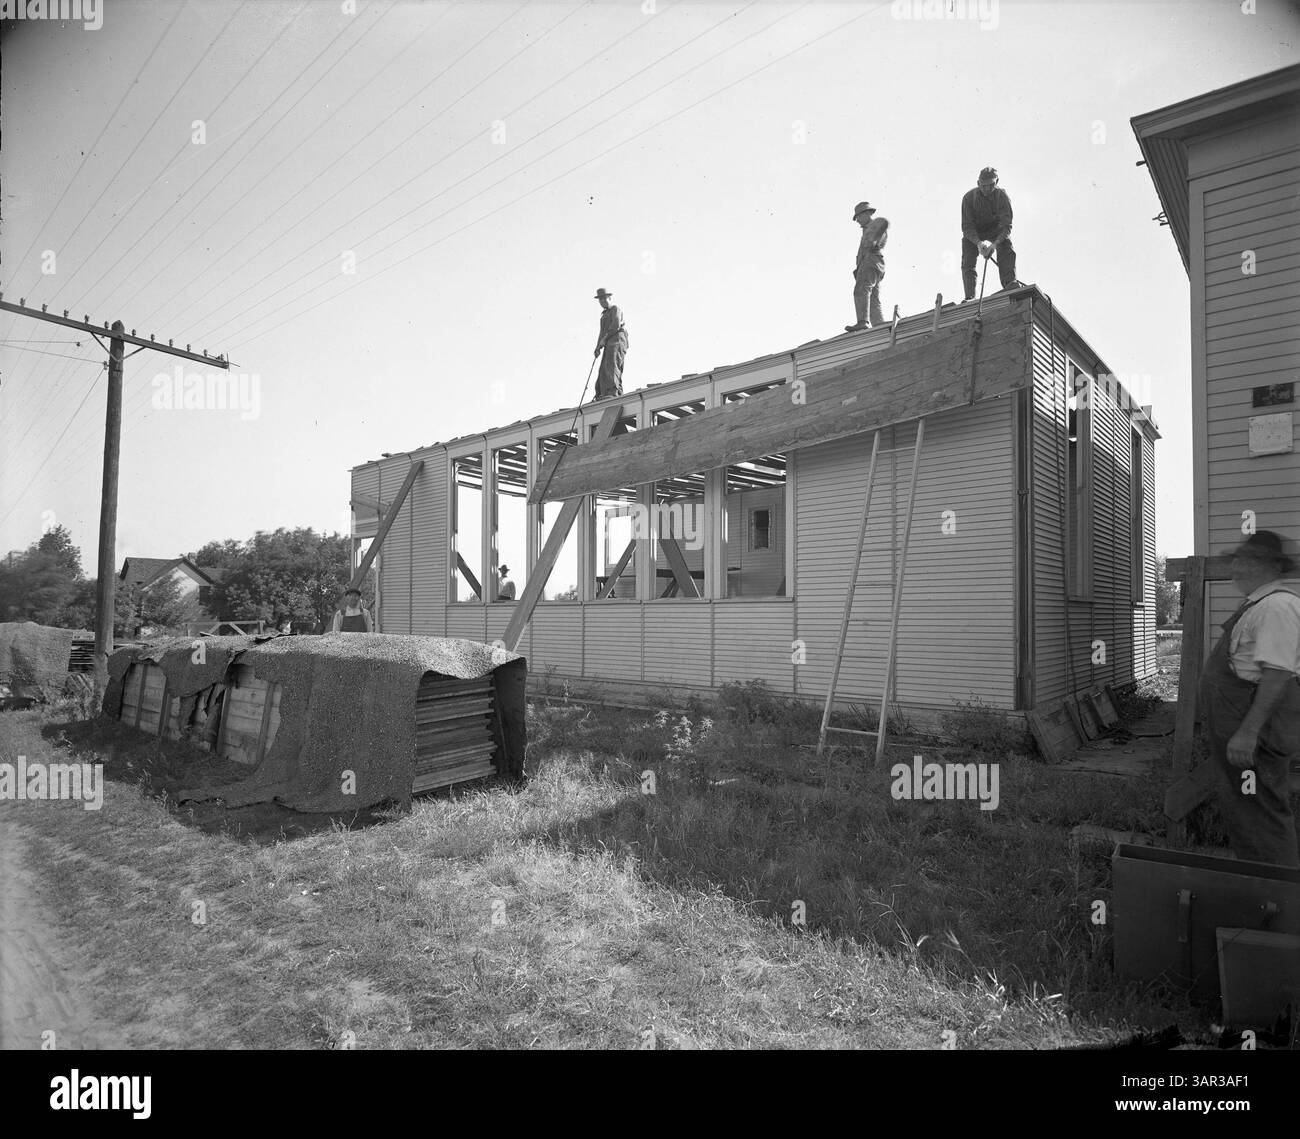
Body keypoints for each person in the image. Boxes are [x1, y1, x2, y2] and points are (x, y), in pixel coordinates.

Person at [1200, 530, 1300, 866]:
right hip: (1245, 738)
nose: (1237, 568)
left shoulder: (1276, 607)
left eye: (1246, 561)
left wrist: (1247, 732)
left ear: (1269, 566)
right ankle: (1260, 898)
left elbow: (1277, 674)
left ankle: (1279, 903)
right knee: (1249, 816)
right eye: (1237, 560)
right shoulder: (1258, 604)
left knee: (1264, 821)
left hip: (1257, 740)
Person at [960, 167, 1022, 301]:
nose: (987, 189)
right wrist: (978, 243)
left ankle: (1010, 284)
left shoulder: (1002, 197)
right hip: (975, 231)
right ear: (978, 183)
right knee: (967, 256)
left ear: (997, 182)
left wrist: (994, 245)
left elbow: (1007, 226)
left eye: (991, 185)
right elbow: (967, 227)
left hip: (996, 230)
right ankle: (969, 296)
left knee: (1006, 244)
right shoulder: (968, 199)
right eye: (984, 186)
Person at [846, 200, 888, 332]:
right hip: (873, 264)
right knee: (873, 297)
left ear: (866, 213)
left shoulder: (875, 227)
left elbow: (873, 244)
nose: (857, 220)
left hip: (870, 262)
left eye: (858, 216)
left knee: (861, 290)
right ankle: (879, 325)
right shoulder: (871, 228)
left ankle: (862, 321)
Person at [593, 288, 627, 400]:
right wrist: (598, 347)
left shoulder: (615, 309)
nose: (602, 301)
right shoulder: (603, 315)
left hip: (617, 339)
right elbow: (601, 332)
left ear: (609, 298)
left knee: (612, 363)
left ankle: (613, 391)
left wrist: (605, 339)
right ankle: (602, 393)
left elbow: (616, 325)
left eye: (604, 299)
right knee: (604, 367)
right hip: (609, 341)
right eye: (600, 300)